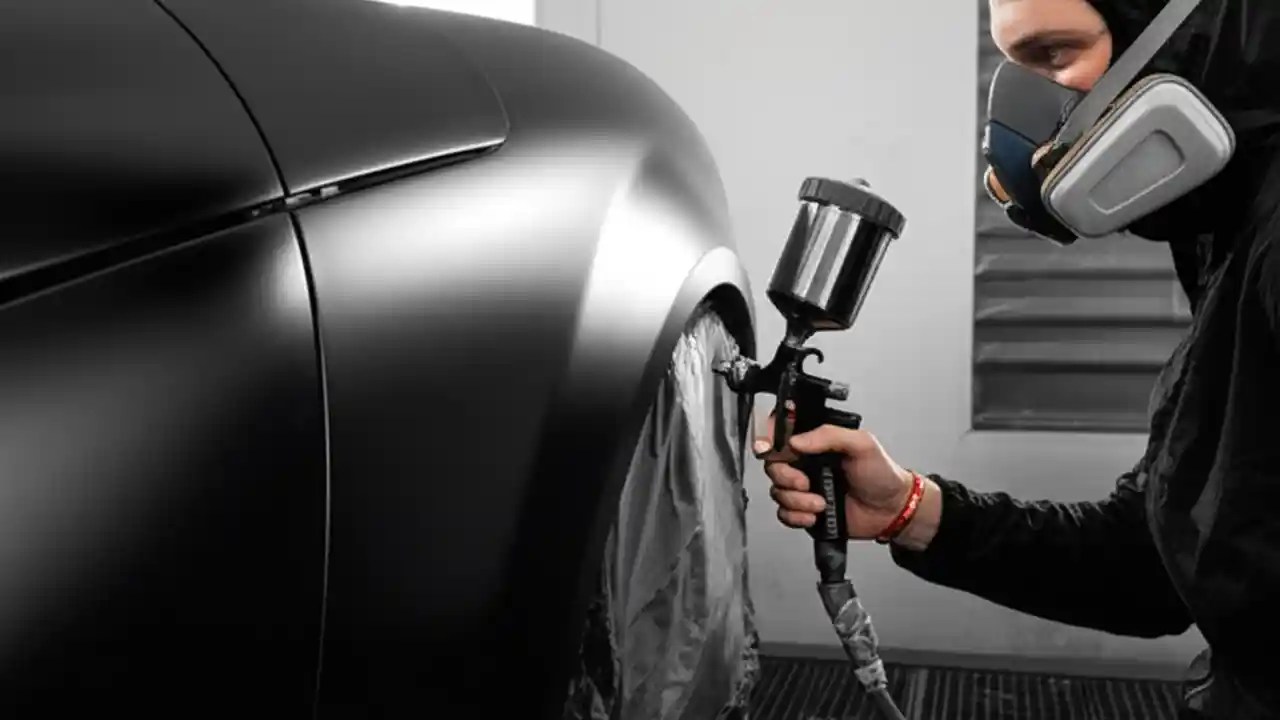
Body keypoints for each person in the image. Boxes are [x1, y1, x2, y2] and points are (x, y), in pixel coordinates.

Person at [757, 1, 1280, 718]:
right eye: (1015, 64)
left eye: (1054, 55)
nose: (1028, 110)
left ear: (1193, 34)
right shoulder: (1229, 234)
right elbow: (1162, 562)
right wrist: (906, 507)